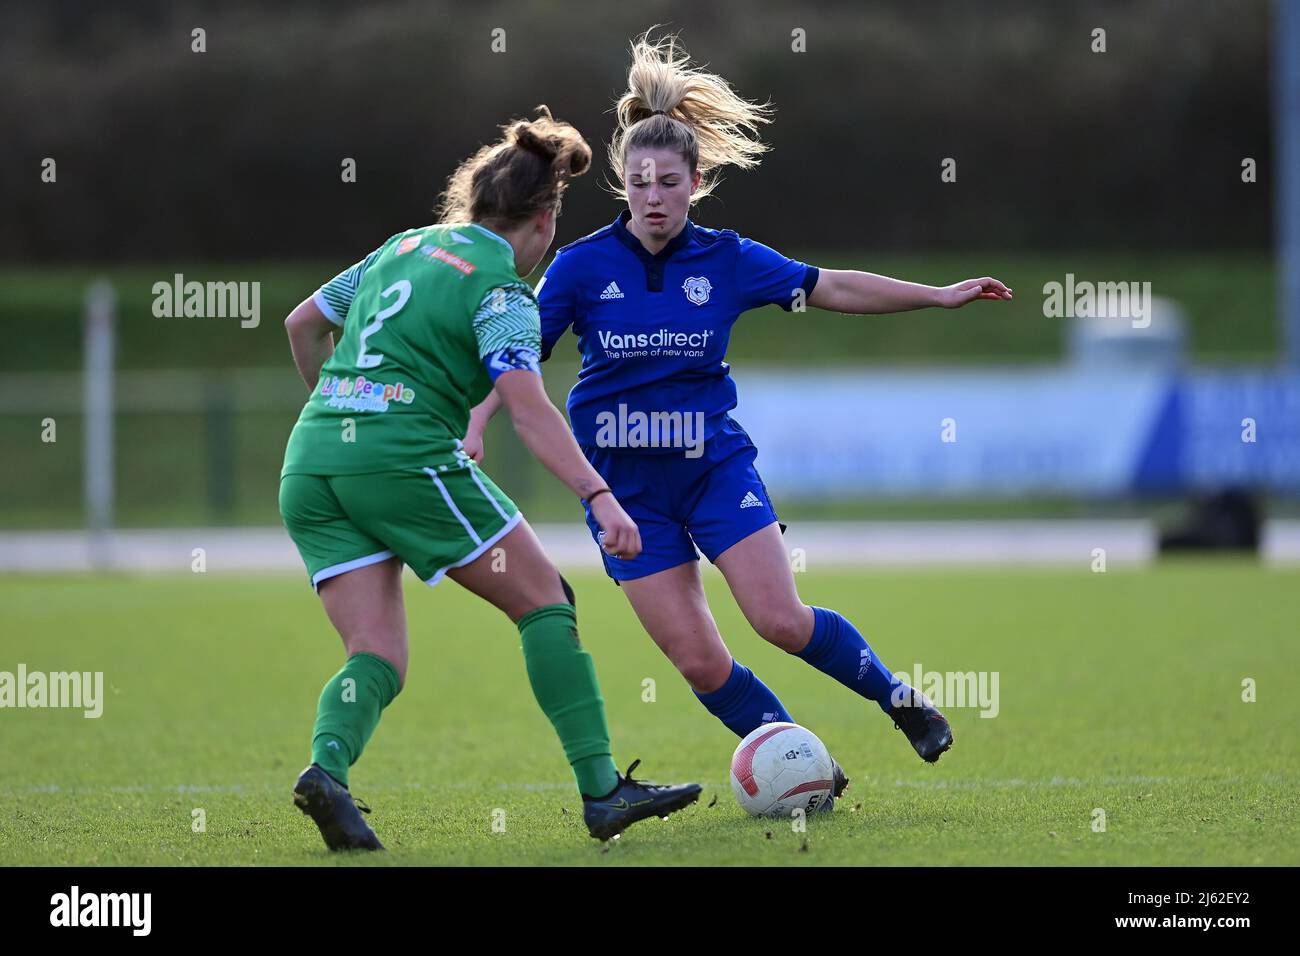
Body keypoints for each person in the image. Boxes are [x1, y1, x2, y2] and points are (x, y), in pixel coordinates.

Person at [466, 37, 1013, 795]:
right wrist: (477, 415)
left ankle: (901, 701)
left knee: (780, 620)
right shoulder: (582, 267)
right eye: (637, 183)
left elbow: (835, 288)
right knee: (700, 662)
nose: (652, 196)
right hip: (622, 486)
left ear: (696, 182)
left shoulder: (728, 259)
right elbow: (514, 353)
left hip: (713, 466)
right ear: (623, 187)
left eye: (667, 182)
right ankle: (804, 763)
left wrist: (937, 293)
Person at [278, 106, 700, 849]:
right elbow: (529, 408)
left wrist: (339, 408)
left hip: (310, 464)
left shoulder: (400, 246)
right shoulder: (501, 290)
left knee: (376, 653)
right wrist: (599, 495)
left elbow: (302, 323)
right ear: (543, 221)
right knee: (546, 600)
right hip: (400, 457)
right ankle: (603, 791)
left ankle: (327, 770)